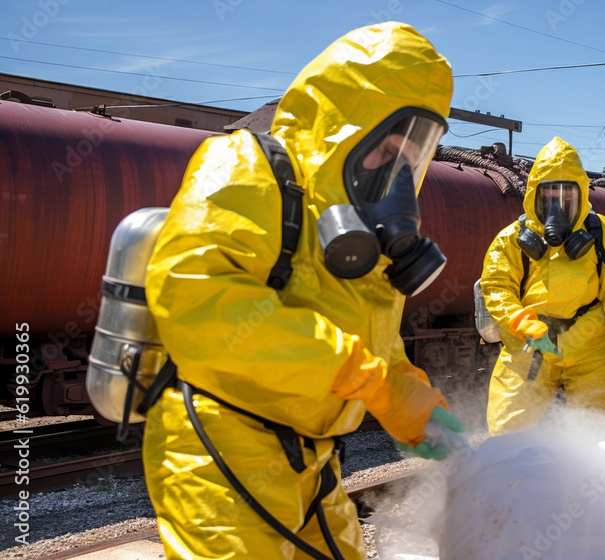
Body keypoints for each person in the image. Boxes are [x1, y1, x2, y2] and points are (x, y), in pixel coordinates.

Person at [142, 23, 462, 560]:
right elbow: (196, 299)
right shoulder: (245, 168)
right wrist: (363, 377)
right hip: (219, 450)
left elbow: (373, 346)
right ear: (345, 128)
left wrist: (409, 397)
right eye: (387, 151)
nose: (400, 175)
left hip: (314, 459)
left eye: (413, 156)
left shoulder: (365, 240)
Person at [480, 137, 605, 436]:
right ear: (534, 196)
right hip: (529, 350)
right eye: (549, 197)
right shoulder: (511, 240)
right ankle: (512, 480)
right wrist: (525, 325)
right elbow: (497, 288)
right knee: (508, 436)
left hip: (592, 353)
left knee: (592, 438)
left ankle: (580, 483)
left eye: (567, 198)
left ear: (582, 196)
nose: (557, 209)